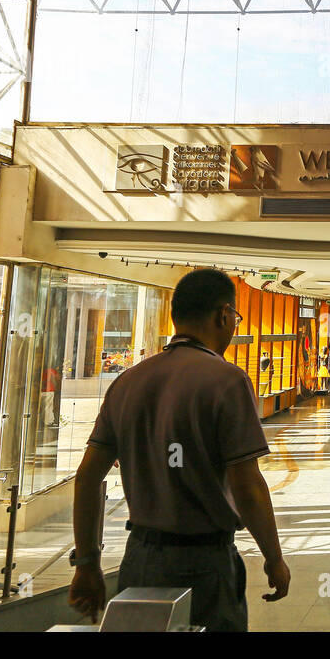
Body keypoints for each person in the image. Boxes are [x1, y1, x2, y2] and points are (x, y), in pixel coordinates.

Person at [68, 269, 291, 631]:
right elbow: (247, 487)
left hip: (138, 559)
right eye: (235, 317)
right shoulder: (228, 380)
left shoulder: (127, 382)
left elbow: (88, 477)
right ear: (223, 315)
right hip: (204, 564)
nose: (234, 326)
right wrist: (273, 558)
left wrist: (88, 563)